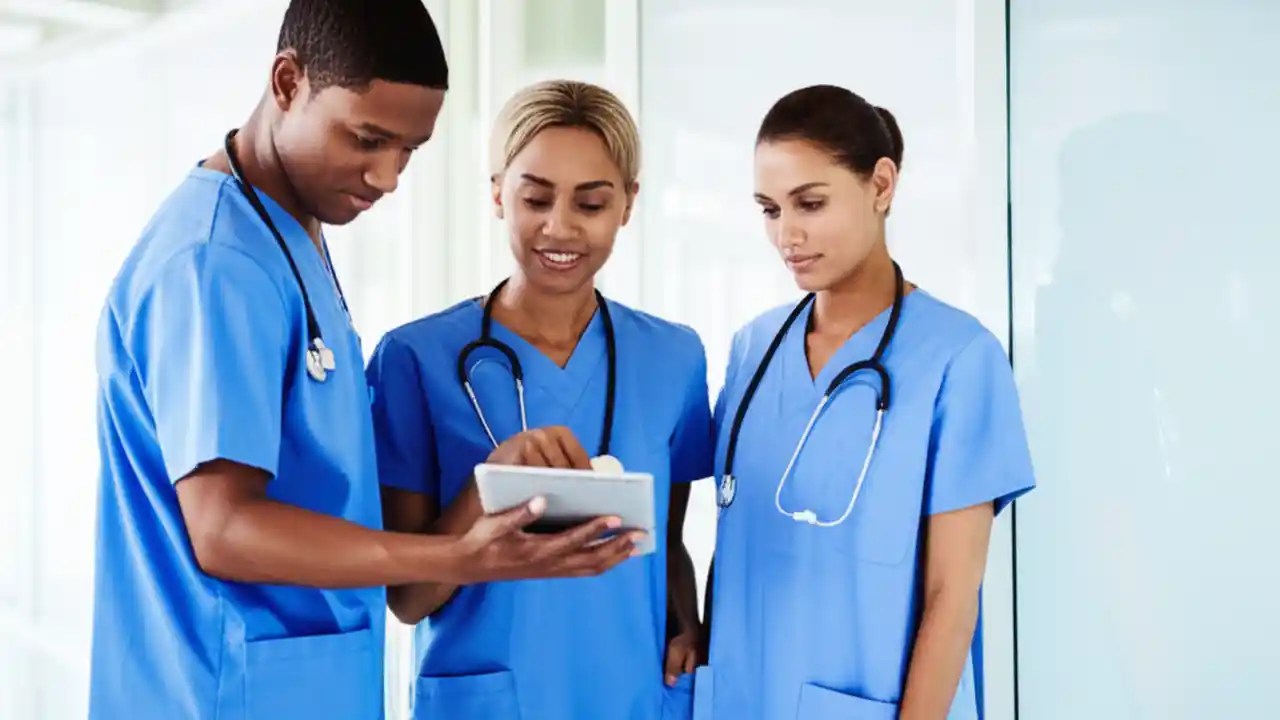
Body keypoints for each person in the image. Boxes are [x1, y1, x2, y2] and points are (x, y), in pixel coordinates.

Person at [89, 4, 636, 719]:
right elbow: (223, 530)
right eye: (368, 139)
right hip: (218, 692)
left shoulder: (287, 234)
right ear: (287, 81)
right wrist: (457, 557)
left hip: (294, 687)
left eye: (409, 150)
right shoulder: (215, 264)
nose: (387, 177)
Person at [366, 79, 714, 720]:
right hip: (491, 699)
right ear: (498, 193)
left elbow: (668, 541)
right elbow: (408, 598)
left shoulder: (674, 356)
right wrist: (491, 482)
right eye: (535, 198)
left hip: (631, 695)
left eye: (591, 202)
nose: (561, 227)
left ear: (628, 204)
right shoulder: (415, 359)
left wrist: (688, 625)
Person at [693, 85, 1036, 720]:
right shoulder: (753, 349)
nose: (786, 235)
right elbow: (736, 544)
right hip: (743, 698)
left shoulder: (958, 358)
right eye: (769, 209)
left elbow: (951, 596)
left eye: (811, 204)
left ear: (881, 185)